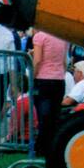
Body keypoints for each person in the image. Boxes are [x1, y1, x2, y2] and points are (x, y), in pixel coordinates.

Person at [30, 26, 70, 155]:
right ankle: (53, 145)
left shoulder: (40, 37)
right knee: (54, 114)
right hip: (59, 79)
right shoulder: (63, 38)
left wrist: (33, 76)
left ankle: (42, 146)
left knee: (43, 115)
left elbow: (37, 61)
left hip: (43, 79)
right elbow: (64, 61)